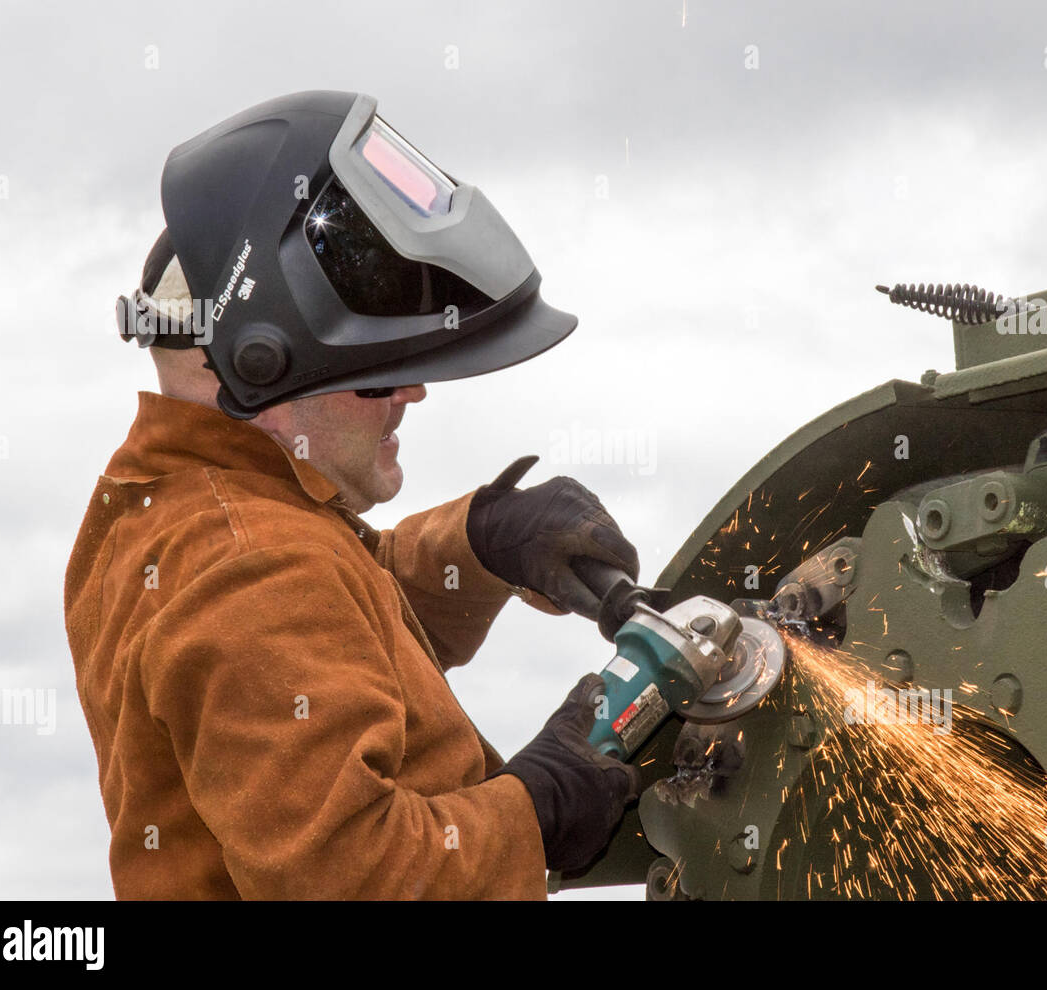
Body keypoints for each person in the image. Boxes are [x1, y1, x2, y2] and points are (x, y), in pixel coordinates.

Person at [64, 91, 642, 899]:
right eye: (378, 378)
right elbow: (355, 879)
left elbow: (327, 643)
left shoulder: (169, 505)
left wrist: (477, 544)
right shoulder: (251, 567)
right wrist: (534, 812)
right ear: (261, 372)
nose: (414, 393)